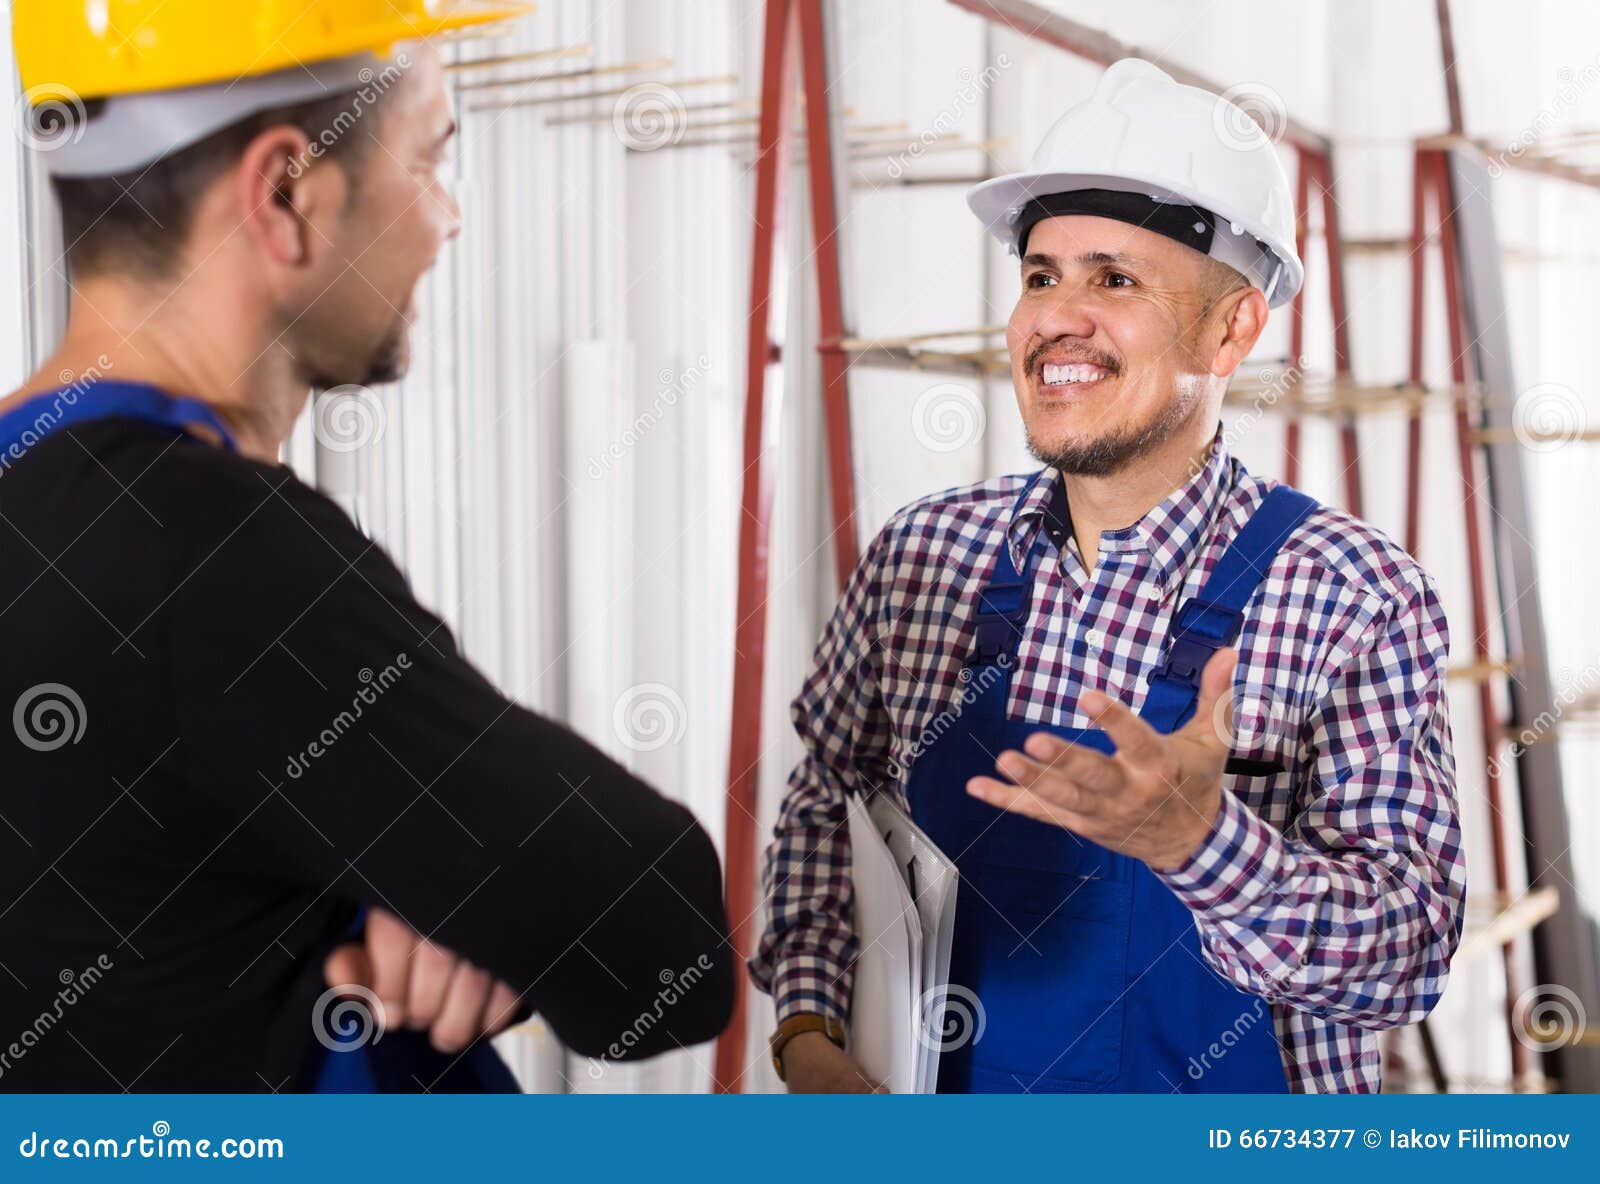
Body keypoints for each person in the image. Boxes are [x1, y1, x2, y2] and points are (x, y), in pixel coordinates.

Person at [0, 1, 732, 1092]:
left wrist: (427, 883)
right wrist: (475, 912)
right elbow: (661, 945)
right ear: (287, 191)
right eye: (432, 157)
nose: (446, 216)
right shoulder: (216, 552)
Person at [751, 59, 1465, 1094]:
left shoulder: (1348, 593)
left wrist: (1201, 842)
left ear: (1232, 328)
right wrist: (809, 1036)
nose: (1057, 317)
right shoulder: (922, 559)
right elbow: (823, 807)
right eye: (1041, 275)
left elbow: (1408, 954)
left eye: (1114, 279)